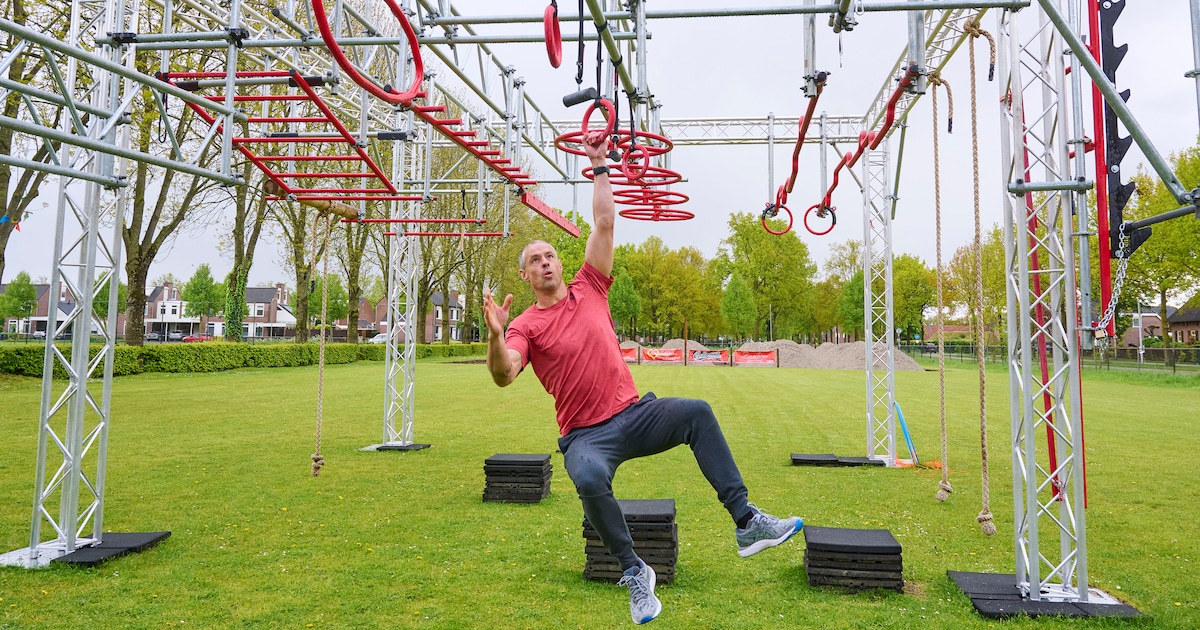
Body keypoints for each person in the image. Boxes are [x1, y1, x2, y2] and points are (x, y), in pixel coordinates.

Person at [483, 129, 803, 625]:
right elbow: (505, 375)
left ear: (560, 262)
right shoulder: (524, 325)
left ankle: (747, 522)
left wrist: (600, 164)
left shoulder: (589, 286)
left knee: (697, 413)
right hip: (586, 436)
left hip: (634, 414)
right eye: (534, 261)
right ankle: (634, 572)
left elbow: (606, 221)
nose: (545, 263)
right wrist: (495, 337)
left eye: (549, 255)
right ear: (524, 276)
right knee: (587, 476)